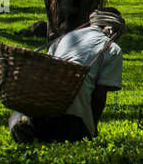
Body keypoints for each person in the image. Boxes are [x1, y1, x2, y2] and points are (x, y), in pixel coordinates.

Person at [9, 8, 126, 144]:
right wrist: (92, 127)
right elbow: (99, 95)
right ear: (114, 29)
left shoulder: (64, 38)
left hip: (41, 111)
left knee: (24, 118)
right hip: (72, 122)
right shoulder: (113, 49)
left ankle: (23, 124)